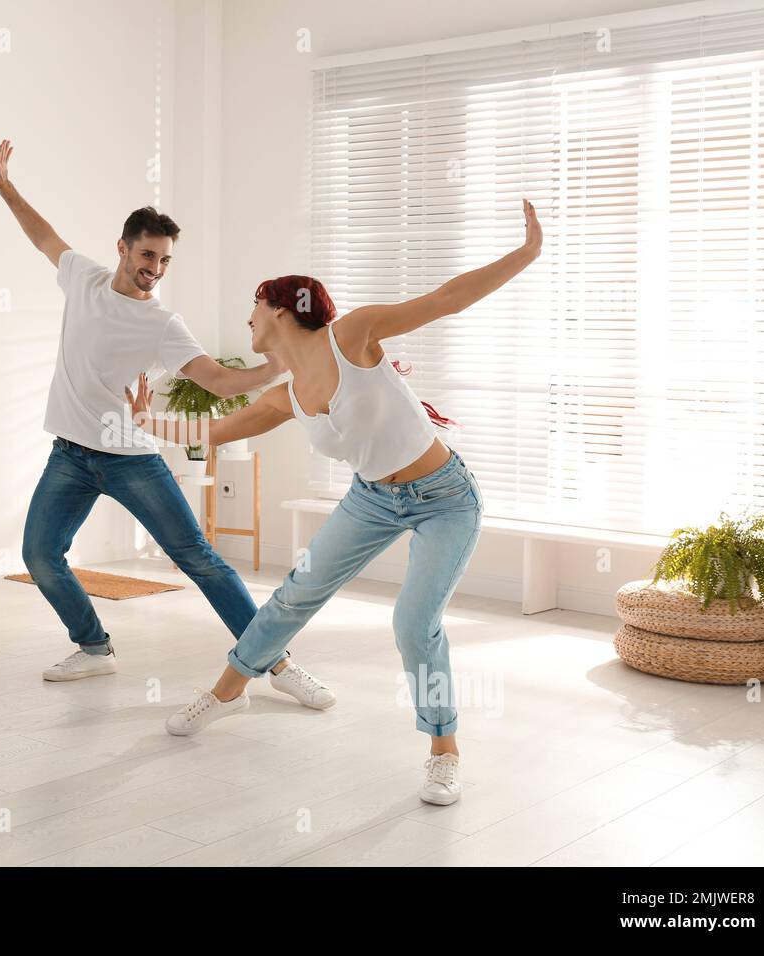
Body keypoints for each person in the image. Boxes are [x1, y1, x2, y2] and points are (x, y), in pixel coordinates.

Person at [126, 200, 543, 805]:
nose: (247, 321)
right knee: (295, 594)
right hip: (372, 499)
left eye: (253, 308)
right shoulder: (284, 396)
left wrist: (525, 254)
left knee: (413, 624)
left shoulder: (353, 335)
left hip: (444, 499)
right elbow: (212, 432)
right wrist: (147, 422)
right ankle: (227, 691)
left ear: (277, 309)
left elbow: (447, 299)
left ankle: (443, 751)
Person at [0, 139, 334, 706]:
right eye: (148, 257)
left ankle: (276, 661)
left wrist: (276, 365)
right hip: (69, 454)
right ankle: (94, 647)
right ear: (122, 248)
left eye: (165, 260)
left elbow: (217, 379)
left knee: (197, 557)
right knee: (40, 554)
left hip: (128, 455)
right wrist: (6, 189)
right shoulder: (83, 279)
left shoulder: (161, 323)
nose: (156, 270)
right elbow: (43, 235)